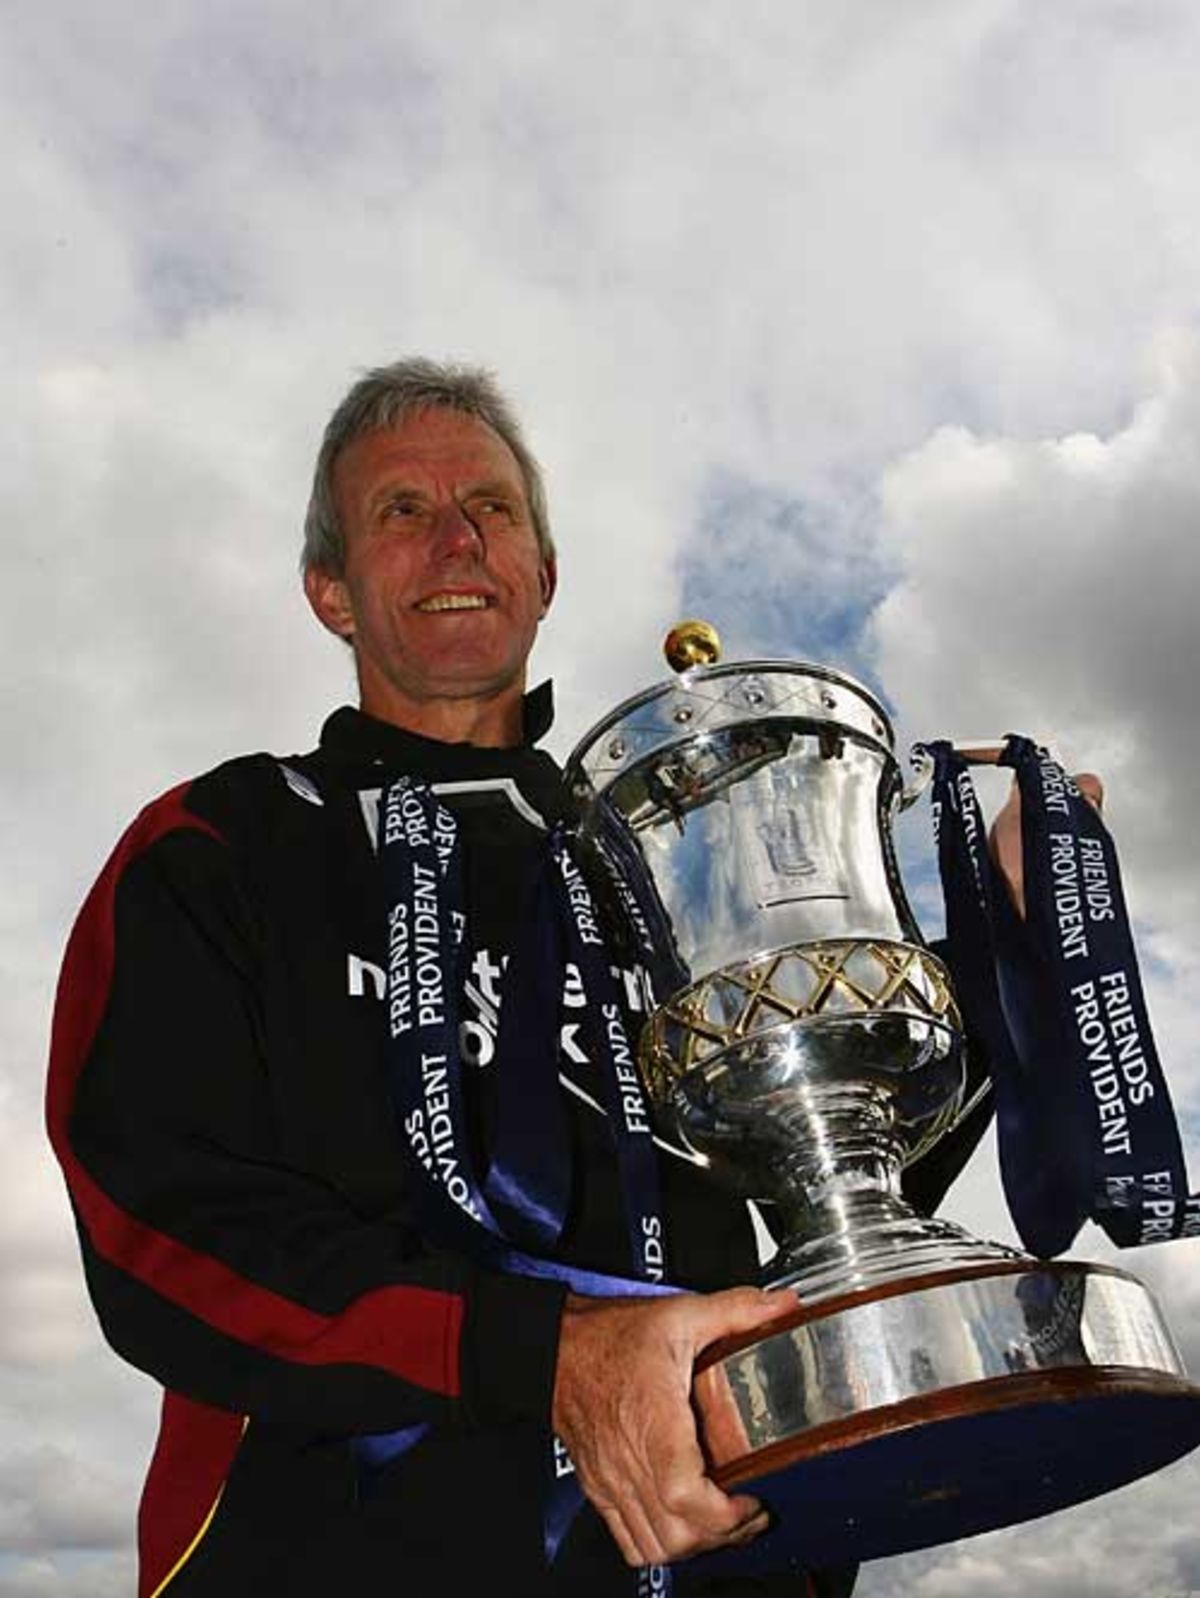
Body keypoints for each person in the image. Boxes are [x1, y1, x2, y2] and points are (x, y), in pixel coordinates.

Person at [48, 359, 1035, 1598]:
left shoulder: (664, 854)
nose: (456, 536)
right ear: (330, 590)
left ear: (543, 574)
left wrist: (1003, 948)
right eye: (400, 511)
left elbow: (802, 1173)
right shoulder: (220, 844)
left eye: (493, 508)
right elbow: (157, 1225)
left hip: (729, 1549)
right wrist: (542, 1353)